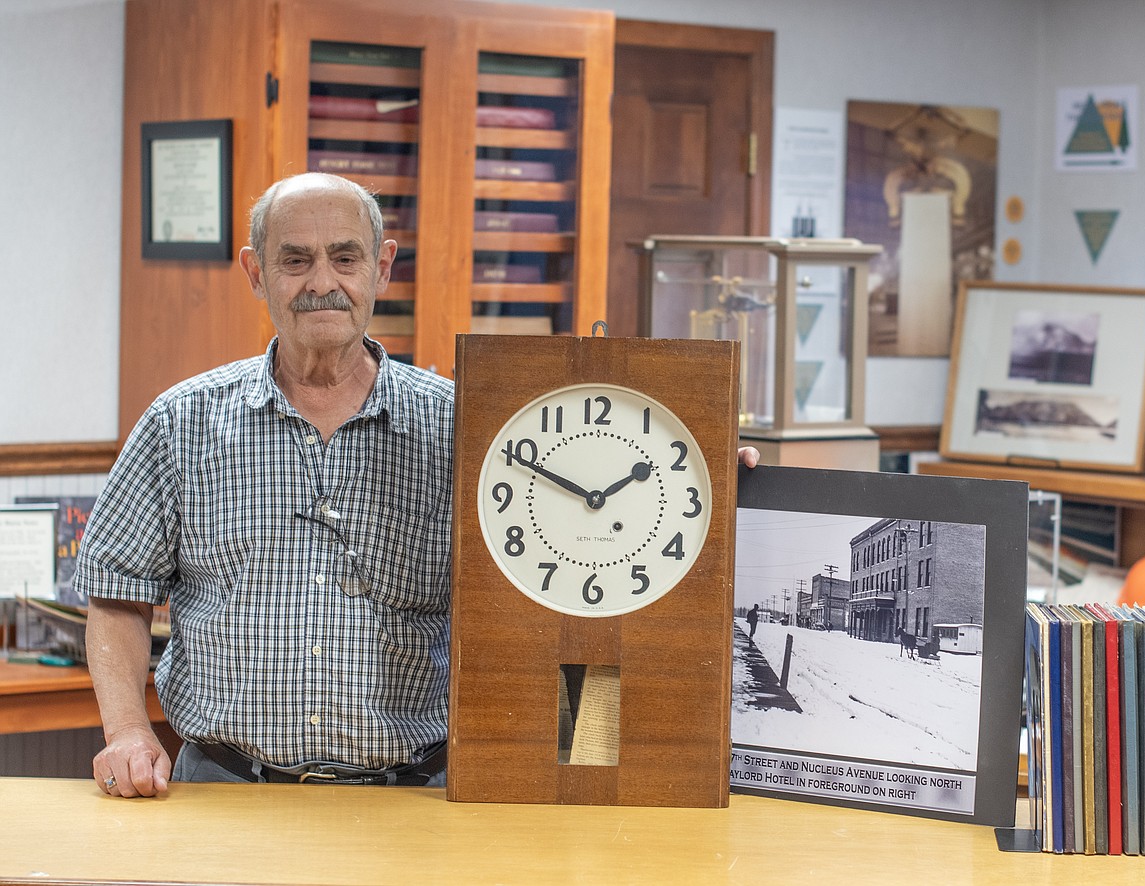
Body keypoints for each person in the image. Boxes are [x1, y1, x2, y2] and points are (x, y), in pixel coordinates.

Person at [78, 171, 764, 798]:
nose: (323, 281)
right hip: (225, 791)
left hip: (421, 796)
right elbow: (116, 593)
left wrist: (691, 467)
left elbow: (571, 579)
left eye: (346, 257)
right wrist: (128, 731)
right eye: (296, 260)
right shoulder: (182, 422)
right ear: (257, 274)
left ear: (382, 267)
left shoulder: (469, 428)